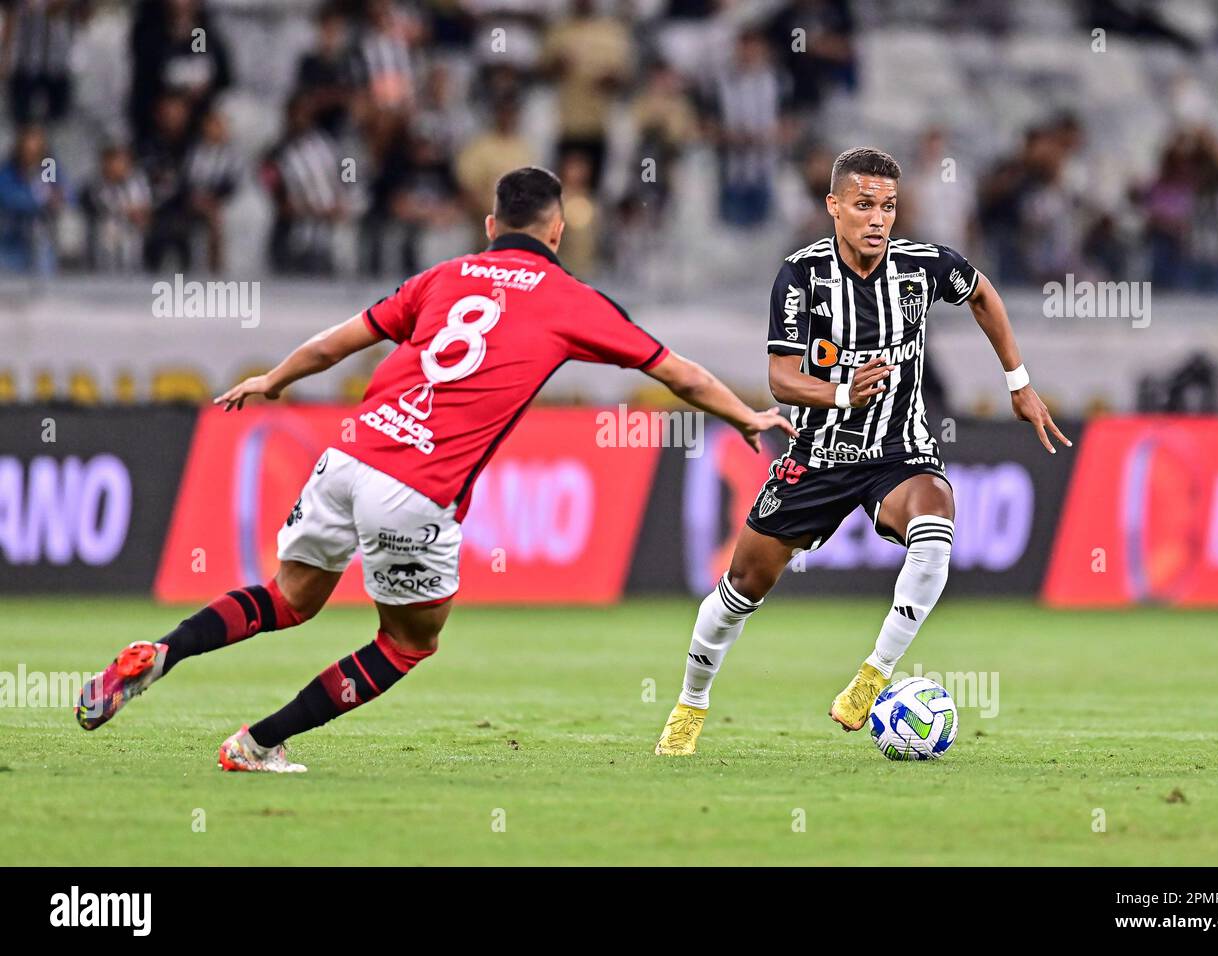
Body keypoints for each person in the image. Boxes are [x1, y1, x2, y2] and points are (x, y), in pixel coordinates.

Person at [74, 166, 795, 773]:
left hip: (349, 454)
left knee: (288, 600)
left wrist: (274, 379)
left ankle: (163, 651)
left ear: (489, 226)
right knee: (408, 642)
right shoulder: (573, 300)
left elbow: (337, 343)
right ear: (557, 230)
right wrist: (747, 417)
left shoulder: (443, 276)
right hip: (415, 490)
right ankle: (258, 742)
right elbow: (680, 373)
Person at [654, 147, 1070, 755]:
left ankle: (872, 677)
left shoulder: (924, 266)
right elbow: (781, 379)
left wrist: (1019, 382)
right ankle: (691, 704)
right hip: (817, 456)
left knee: (936, 525)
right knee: (742, 585)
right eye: (865, 205)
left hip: (899, 451)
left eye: (889, 207)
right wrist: (843, 391)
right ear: (834, 207)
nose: (878, 219)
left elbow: (982, 294)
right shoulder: (801, 276)